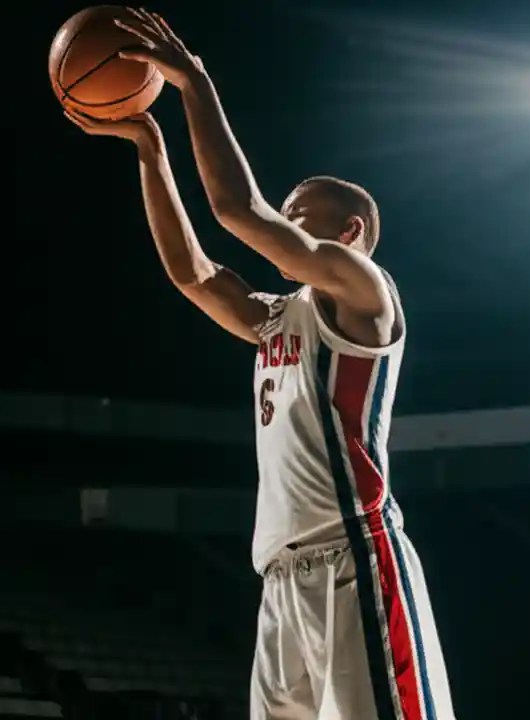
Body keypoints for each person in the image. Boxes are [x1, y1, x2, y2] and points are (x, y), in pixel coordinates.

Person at [63, 9, 456, 720]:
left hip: (355, 563)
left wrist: (194, 83)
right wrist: (152, 153)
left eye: (299, 214)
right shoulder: (279, 315)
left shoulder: (367, 294)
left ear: (351, 233)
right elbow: (194, 274)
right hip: (280, 579)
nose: (284, 217)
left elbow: (236, 210)